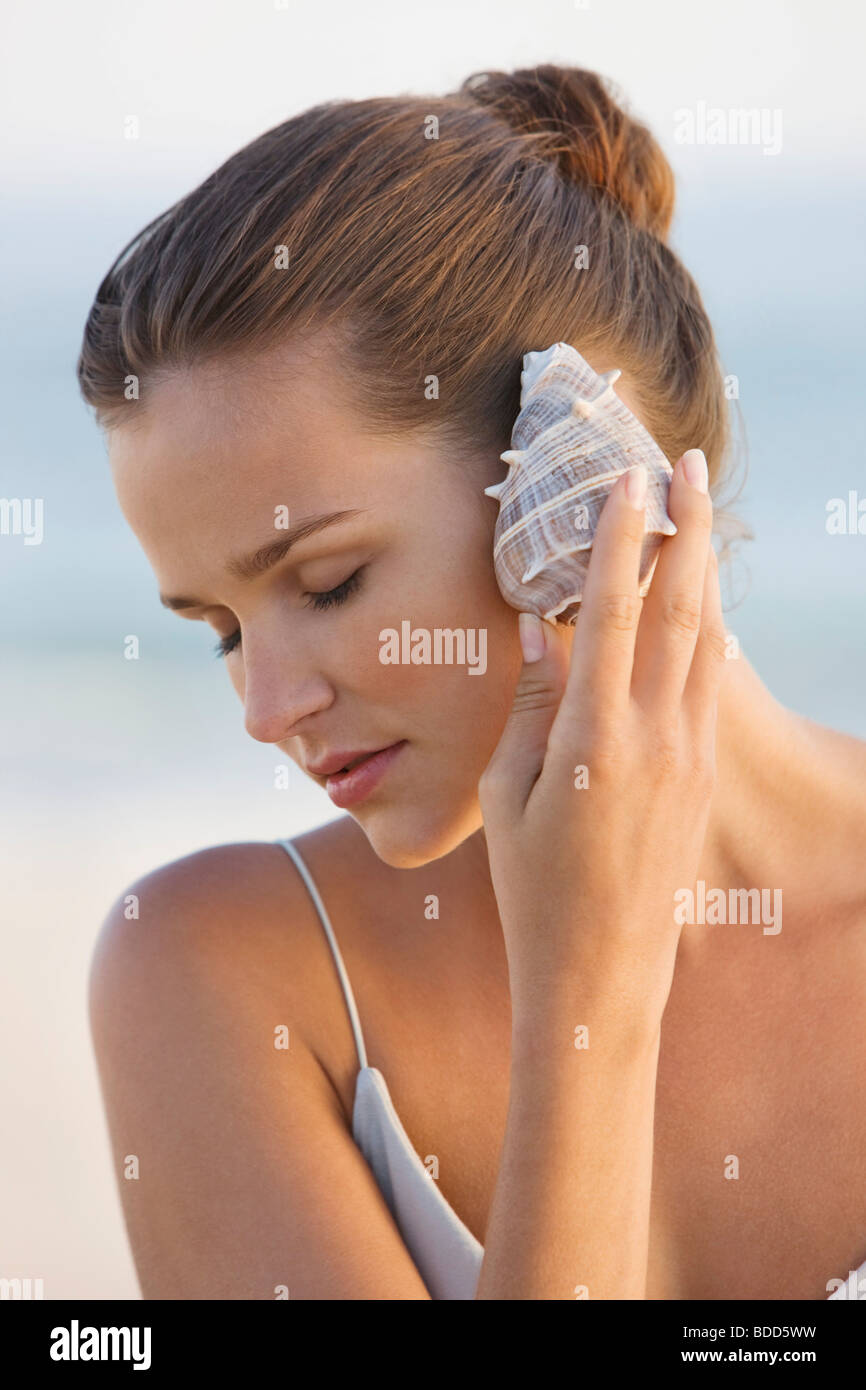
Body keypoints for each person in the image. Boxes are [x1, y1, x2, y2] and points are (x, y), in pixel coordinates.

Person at [79, 65, 866, 1300]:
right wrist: (586, 1004)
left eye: (327, 582)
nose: (264, 708)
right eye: (219, 628)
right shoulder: (217, 974)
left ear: (586, 474)